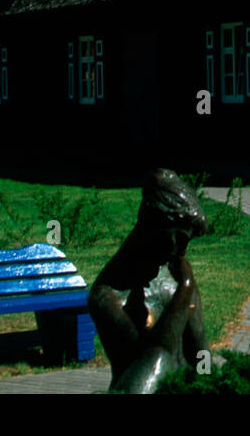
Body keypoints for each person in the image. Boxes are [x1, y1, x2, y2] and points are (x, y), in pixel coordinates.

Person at [88, 168, 209, 393]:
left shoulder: (175, 274)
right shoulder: (107, 296)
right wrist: (185, 289)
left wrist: (214, 386)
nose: (182, 251)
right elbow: (153, 359)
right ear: (152, 227)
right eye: (178, 238)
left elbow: (201, 353)